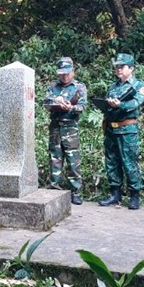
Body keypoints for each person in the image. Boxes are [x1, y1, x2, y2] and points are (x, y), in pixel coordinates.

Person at [98, 53, 144, 210]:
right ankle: (115, 193)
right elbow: (107, 106)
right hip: (111, 128)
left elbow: (135, 103)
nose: (118, 69)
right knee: (112, 162)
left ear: (131, 68)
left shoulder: (138, 85)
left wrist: (120, 105)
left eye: (122, 66)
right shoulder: (113, 87)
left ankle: (134, 195)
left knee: (129, 162)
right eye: (116, 67)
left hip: (127, 129)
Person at [43, 56, 88, 205]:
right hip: (55, 126)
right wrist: (56, 101)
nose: (65, 75)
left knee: (73, 160)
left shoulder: (79, 87)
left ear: (73, 71)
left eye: (67, 72)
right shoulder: (53, 87)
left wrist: (71, 107)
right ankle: (54, 189)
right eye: (62, 73)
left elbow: (82, 106)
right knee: (55, 158)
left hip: (70, 127)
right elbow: (46, 102)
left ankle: (76, 192)